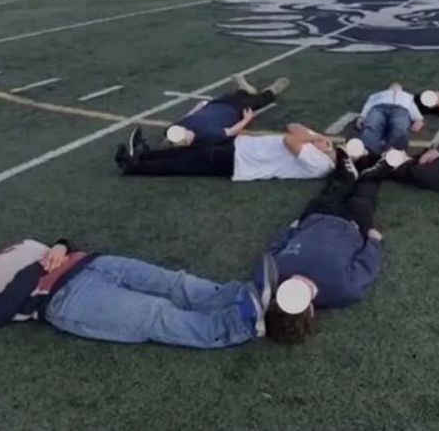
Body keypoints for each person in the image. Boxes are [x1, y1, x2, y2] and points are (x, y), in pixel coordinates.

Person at [0, 236, 276, 349]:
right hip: (65, 299)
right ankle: (239, 324)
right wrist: (39, 267)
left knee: (175, 283)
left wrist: (61, 245)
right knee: (154, 314)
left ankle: (242, 295)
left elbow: (59, 245)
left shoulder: (10, 248)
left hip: (92, 263)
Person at [262, 159, 384, 343]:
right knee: (364, 196)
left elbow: (275, 248)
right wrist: (373, 241)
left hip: (316, 217)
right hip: (353, 224)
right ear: (310, 309)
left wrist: (292, 229)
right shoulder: (343, 290)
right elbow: (366, 265)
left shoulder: (272, 273)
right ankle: (375, 168)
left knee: (334, 188)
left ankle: (348, 168)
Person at [114, 122, 334, 181]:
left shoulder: (321, 164)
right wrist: (315, 138)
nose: (327, 143)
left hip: (241, 162)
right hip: (241, 148)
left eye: (330, 146)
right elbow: (293, 126)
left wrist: (314, 138)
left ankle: (134, 166)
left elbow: (289, 140)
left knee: (185, 163)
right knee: (187, 152)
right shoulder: (316, 149)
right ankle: (143, 155)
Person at [163, 74, 289, 147]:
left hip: (217, 104)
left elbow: (188, 116)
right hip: (235, 111)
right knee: (257, 101)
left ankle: (244, 89)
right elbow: (231, 131)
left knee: (236, 96)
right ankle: (272, 90)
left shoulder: (179, 127)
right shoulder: (207, 136)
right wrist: (246, 120)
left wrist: (198, 107)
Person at [349, 82, 424, 157]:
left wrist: (418, 119)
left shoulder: (408, 96)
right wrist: (362, 116)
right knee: (372, 123)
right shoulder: (378, 95)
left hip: (400, 109)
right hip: (379, 108)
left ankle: (394, 151)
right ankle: (367, 150)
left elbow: (413, 107)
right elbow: (368, 105)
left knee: (400, 125)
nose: (395, 87)